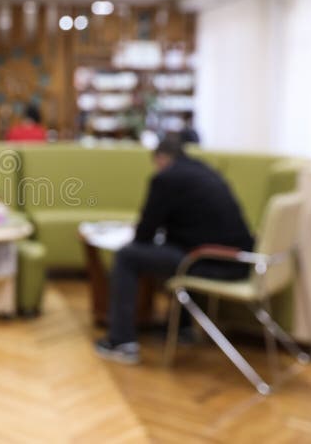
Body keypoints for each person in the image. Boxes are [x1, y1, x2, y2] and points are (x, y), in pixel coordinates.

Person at [95, 135, 253, 364]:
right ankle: (182, 329)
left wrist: (146, 232)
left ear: (160, 158)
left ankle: (121, 341)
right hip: (240, 259)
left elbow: (143, 235)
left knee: (127, 256)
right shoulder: (205, 170)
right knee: (175, 252)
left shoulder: (166, 178)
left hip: (213, 262)